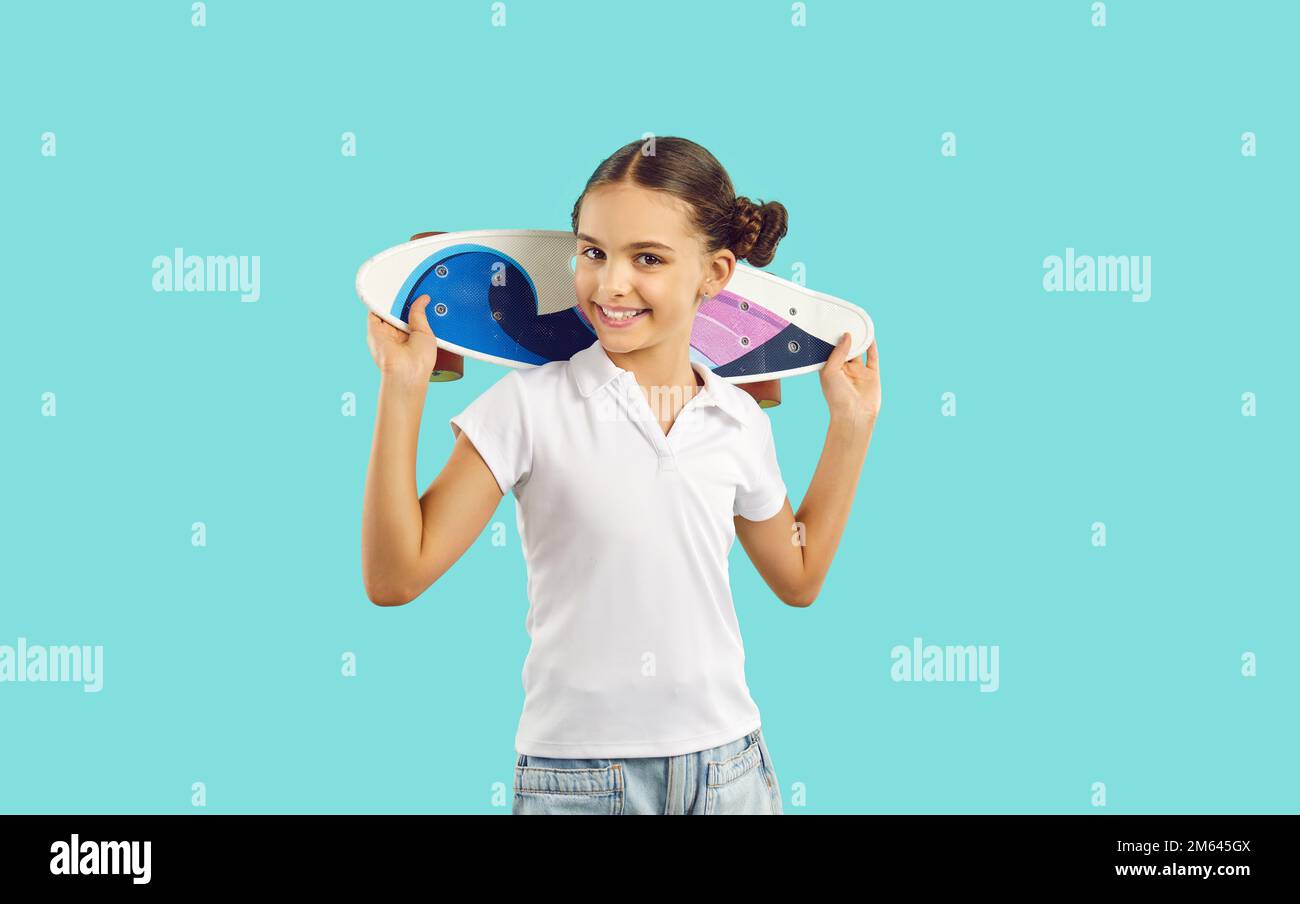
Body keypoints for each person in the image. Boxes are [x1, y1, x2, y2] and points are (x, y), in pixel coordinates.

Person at [362, 136, 881, 814]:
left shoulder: (738, 420)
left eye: (649, 259)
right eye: (593, 251)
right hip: (577, 780)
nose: (610, 284)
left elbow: (799, 578)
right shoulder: (530, 407)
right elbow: (395, 577)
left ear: (716, 273)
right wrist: (403, 388)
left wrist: (851, 426)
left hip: (729, 770)